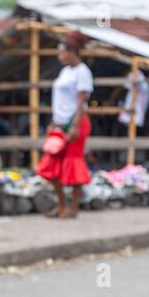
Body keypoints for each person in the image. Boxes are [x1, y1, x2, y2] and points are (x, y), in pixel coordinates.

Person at [37, 29, 93, 219]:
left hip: (76, 124)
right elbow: (60, 101)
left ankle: (73, 208)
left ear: (72, 51)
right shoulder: (65, 72)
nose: (60, 56)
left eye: (62, 52)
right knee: (52, 166)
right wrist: (53, 123)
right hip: (59, 124)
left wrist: (75, 126)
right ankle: (61, 206)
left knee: (73, 164)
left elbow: (80, 103)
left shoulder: (83, 72)